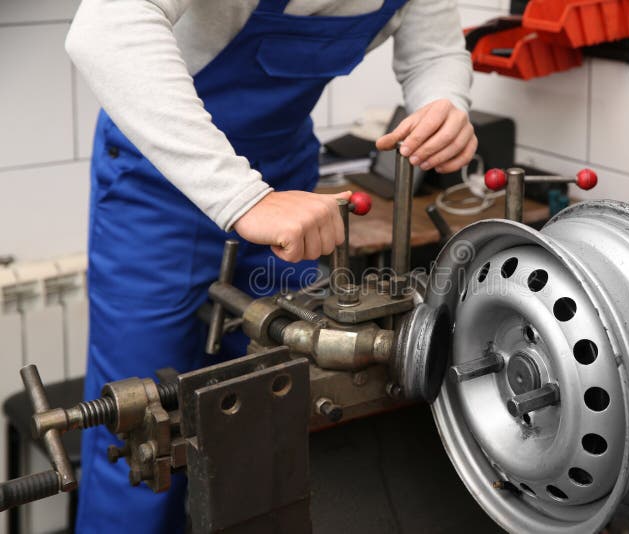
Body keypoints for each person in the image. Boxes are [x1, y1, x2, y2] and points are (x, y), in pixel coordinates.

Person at [65, 0, 476, 531]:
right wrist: (244, 199)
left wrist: (445, 102)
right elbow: (105, 28)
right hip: (158, 188)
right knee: (139, 426)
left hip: (285, 185)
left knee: (276, 405)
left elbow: (434, 52)